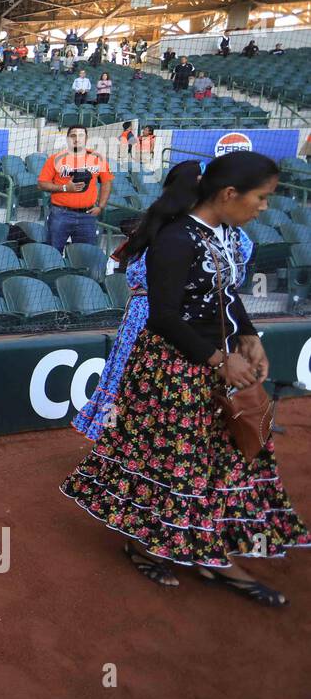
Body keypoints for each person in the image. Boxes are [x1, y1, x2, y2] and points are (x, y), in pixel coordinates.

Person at [60, 151, 309, 604]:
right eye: (260, 197)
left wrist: (249, 335)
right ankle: (149, 546)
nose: (264, 207)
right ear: (229, 194)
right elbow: (162, 316)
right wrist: (219, 359)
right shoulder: (176, 238)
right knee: (175, 461)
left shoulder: (225, 233)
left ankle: (202, 545)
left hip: (214, 362)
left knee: (223, 455)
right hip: (172, 370)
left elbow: (226, 293)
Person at [72, 162, 251, 443]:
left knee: (141, 386)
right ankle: (118, 442)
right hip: (158, 318)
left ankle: (123, 442)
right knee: (136, 385)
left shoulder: (202, 230)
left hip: (169, 319)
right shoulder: (172, 229)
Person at [38, 125, 113, 251]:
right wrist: (66, 188)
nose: (77, 139)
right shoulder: (55, 159)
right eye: (73, 136)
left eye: (81, 136)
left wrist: (100, 206)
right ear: (67, 139)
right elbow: (41, 184)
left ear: (86, 138)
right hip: (60, 213)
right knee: (53, 252)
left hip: (88, 216)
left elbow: (107, 182)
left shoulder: (97, 158)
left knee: (86, 255)